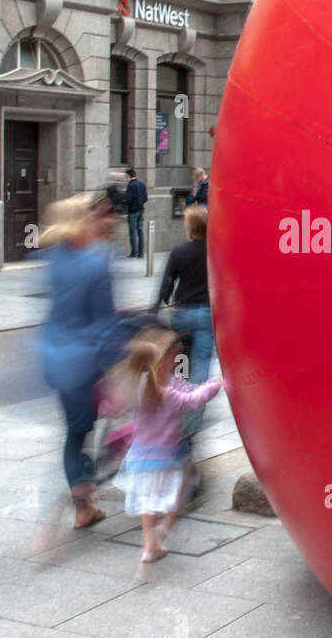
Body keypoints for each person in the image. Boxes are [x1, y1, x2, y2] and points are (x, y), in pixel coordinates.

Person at [37, 193, 122, 528]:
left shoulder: (54, 258)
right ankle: (83, 502)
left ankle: (82, 498)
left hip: (56, 360)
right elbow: (104, 323)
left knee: (75, 432)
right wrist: (110, 366)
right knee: (82, 431)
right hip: (85, 364)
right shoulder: (95, 264)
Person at [109, 336, 222, 562]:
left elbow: (116, 402)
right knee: (178, 494)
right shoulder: (167, 394)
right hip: (165, 457)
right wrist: (217, 382)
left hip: (140, 457)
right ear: (161, 363)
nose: (176, 361)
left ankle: (150, 545)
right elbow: (195, 399)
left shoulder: (141, 386)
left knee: (147, 502)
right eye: (172, 358)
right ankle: (164, 530)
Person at [155, 206, 214, 448]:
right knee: (200, 369)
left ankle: (173, 412)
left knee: (179, 364)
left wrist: (159, 306)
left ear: (190, 228)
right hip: (207, 314)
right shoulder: (215, 252)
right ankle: (190, 429)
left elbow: (166, 285)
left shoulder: (179, 251)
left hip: (182, 313)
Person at [123, 168, 147, 258]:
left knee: (133, 232)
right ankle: (141, 253)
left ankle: (134, 252)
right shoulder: (142, 184)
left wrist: (124, 202)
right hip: (141, 210)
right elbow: (145, 198)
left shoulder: (130, 186)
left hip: (133, 211)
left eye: (126, 177)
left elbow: (128, 200)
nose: (126, 179)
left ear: (129, 176)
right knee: (140, 231)